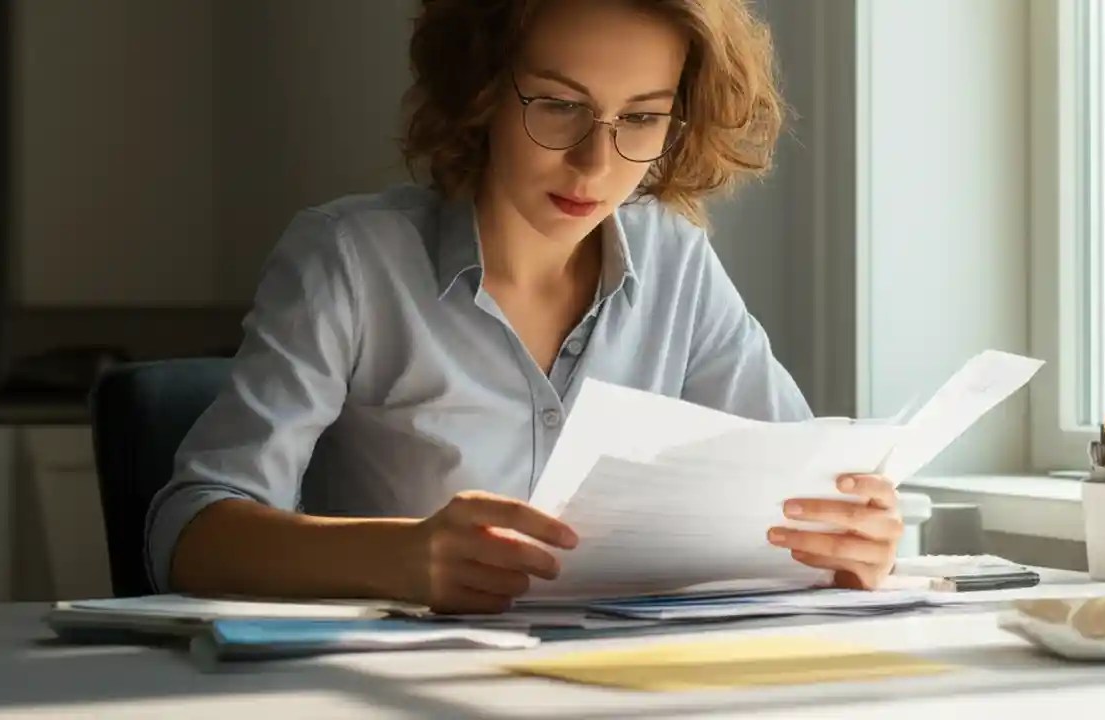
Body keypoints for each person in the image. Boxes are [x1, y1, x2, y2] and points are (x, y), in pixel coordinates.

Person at [145, 0, 903, 614]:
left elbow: (805, 485)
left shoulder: (676, 262)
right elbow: (190, 534)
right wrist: (400, 556)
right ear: (480, 91)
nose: (595, 164)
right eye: (558, 105)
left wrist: (852, 534)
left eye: (640, 118)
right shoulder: (349, 261)